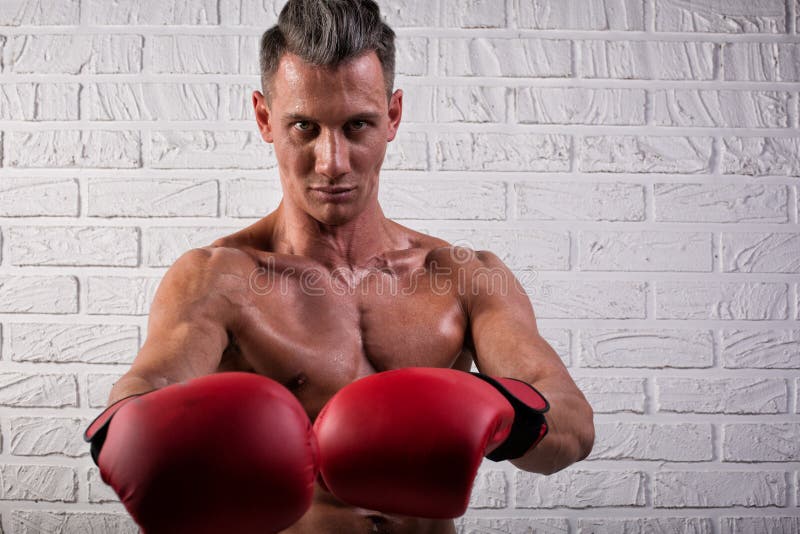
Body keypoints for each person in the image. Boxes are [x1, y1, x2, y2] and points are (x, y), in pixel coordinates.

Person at [85, 1, 594, 532]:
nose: (332, 161)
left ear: (393, 116)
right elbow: (143, 394)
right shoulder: (219, 279)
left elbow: (573, 425)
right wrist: (136, 429)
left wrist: (502, 416)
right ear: (264, 118)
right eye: (304, 126)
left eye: (358, 125)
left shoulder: (462, 275)